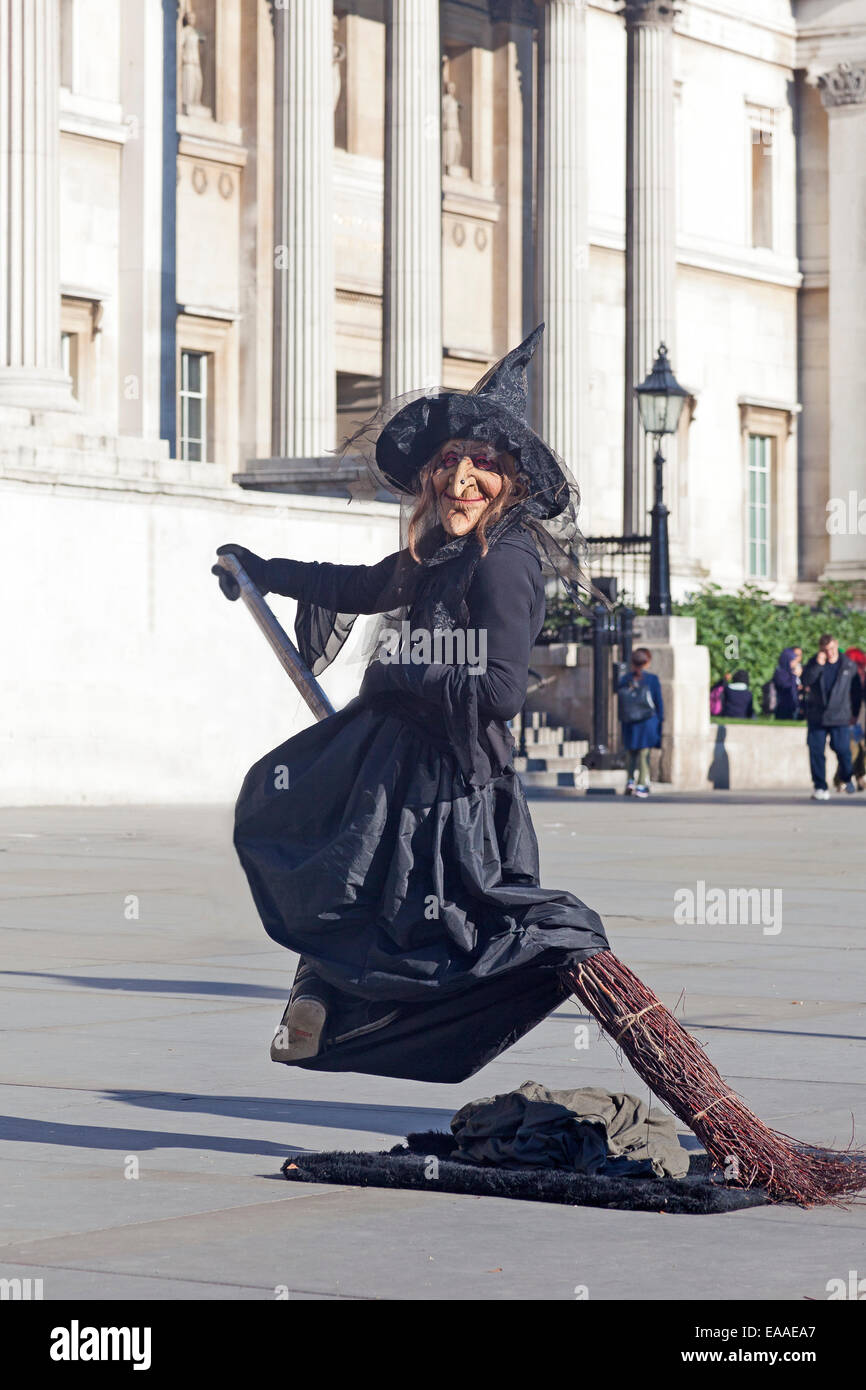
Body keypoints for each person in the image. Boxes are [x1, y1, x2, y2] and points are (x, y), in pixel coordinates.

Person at [211, 326, 609, 1080]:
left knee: (457, 927)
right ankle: (321, 997)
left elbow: (495, 691)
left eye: (484, 464)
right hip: (398, 771)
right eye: (450, 460)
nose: (463, 477)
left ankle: (342, 1005)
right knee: (344, 880)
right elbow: (358, 587)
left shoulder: (506, 561)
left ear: (514, 483)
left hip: (454, 788)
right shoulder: (444, 551)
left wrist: (402, 667)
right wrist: (263, 569)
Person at [801, 634, 863, 800]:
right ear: (821, 649)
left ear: (837, 646)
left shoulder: (848, 665)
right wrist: (817, 666)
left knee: (843, 749)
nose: (830, 653)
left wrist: (855, 714)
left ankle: (846, 776)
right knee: (816, 752)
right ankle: (820, 787)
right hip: (817, 716)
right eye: (826, 650)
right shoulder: (815, 662)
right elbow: (805, 680)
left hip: (840, 716)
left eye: (832, 649)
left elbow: (856, 691)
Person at [617, 648, 663, 799]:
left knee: (630, 753)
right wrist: (660, 720)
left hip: (629, 720)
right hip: (647, 721)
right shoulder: (652, 679)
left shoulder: (625, 679)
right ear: (647, 662)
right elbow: (658, 703)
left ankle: (630, 781)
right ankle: (642, 785)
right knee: (644, 754)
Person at [833, 646, 866, 792]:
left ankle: (860, 776)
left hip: (860, 711)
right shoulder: (847, 673)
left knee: (861, 747)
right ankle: (842, 778)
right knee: (852, 747)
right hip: (851, 712)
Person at [771, 647, 802, 720]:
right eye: (793, 660)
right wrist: (795, 676)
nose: (795, 663)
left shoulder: (790, 672)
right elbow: (786, 686)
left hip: (793, 705)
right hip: (783, 706)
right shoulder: (780, 672)